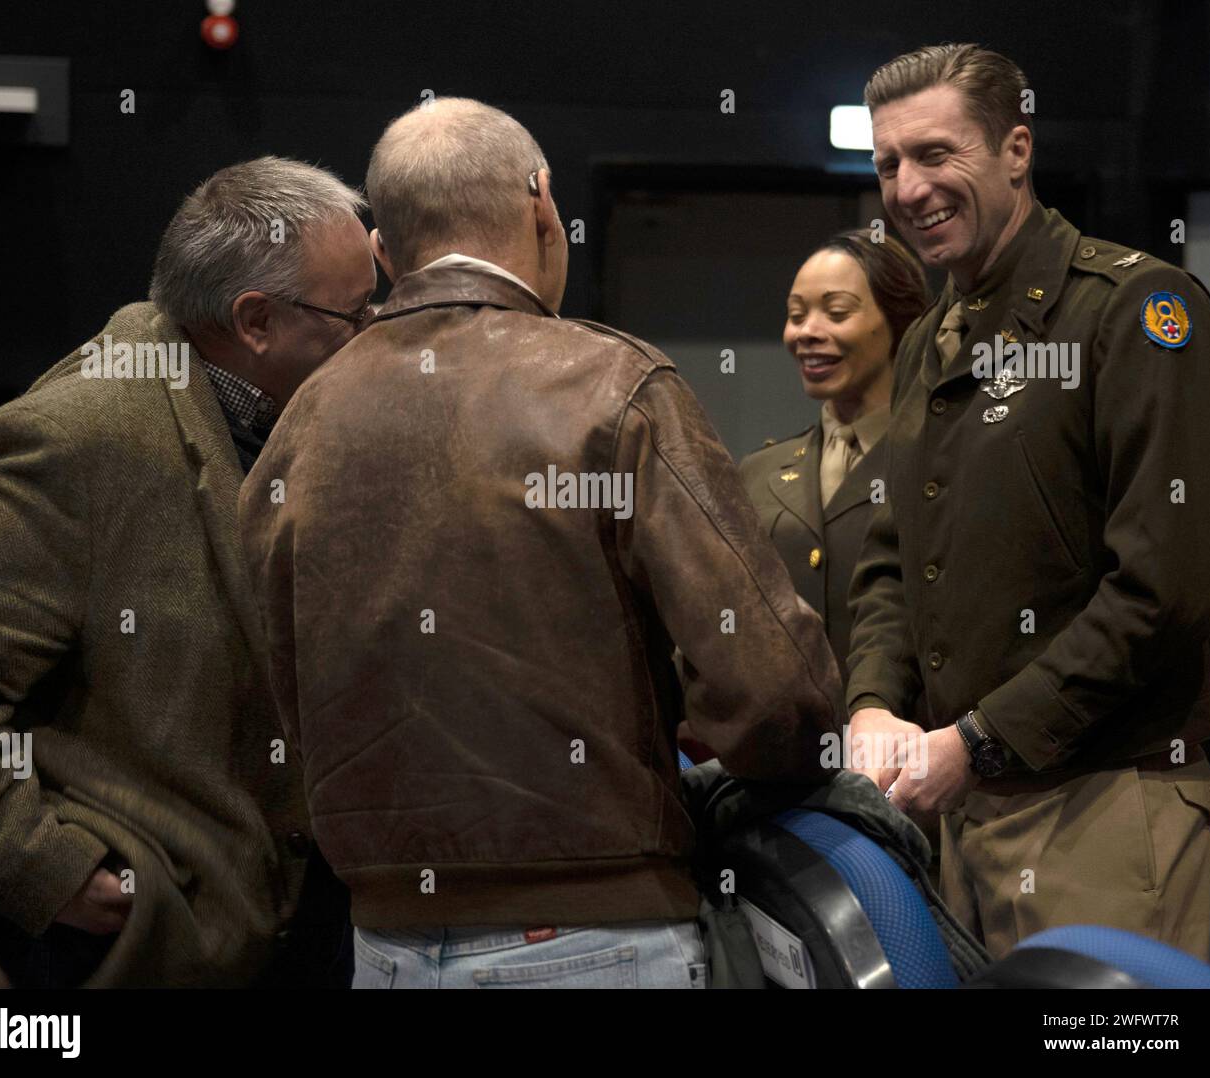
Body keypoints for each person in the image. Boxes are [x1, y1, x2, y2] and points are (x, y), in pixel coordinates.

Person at [239, 98, 844, 990]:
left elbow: (281, 694)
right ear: (541, 205)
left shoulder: (301, 424)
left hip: (381, 944)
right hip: (602, 932)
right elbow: (773, 691)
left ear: (381, 252)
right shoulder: (616, 385)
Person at [0, 156, 375, 986]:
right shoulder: (77, 438)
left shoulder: (285, 421)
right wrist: (50, 872)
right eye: (353, 313)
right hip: (113, 956)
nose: (373, 332)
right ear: (256, 322)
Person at [847, 43, 1210, 959]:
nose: (909, 189)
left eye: (938, 154)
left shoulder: (1135, 310)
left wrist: (977, 742)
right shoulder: (926, 342)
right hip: (959, 812)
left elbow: (1165, 587)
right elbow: (894, 561)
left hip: (1101, 800)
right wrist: (870, 705)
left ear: (1016, 151)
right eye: (889, 164)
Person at [740, 229, 928, 679]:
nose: (806, 332)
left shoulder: (940, 459)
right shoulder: (755, 472)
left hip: (908, 738)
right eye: (796, 315)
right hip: (786, 743)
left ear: (900, 321)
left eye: (837, 312)